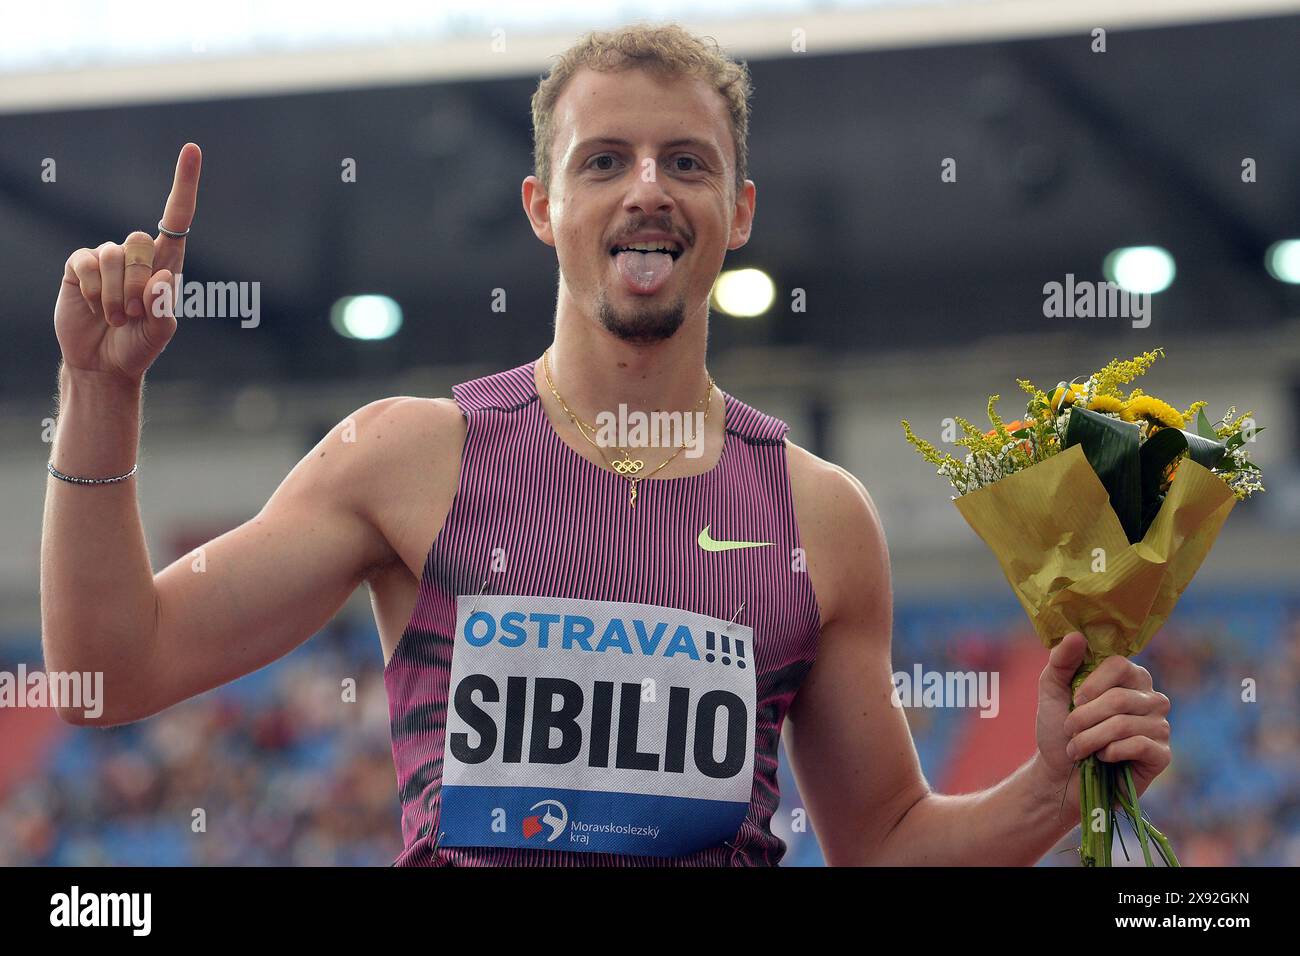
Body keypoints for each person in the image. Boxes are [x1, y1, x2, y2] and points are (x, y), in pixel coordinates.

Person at [41, 23, 1172, 866]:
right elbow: (111, 669)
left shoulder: (820, 516)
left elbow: (881, 842)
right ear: (540, 204)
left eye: (687, 162)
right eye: (604, 161)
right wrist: (97, 388)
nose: (647, 190)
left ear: (739, 211)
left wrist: (1046, 788)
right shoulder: (406, 460)